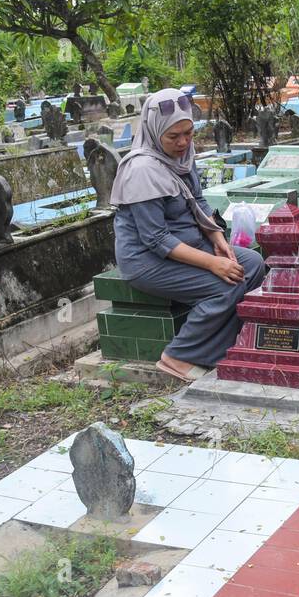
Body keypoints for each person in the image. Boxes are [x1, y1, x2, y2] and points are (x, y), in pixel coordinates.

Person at [109, 88, 266, 382]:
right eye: (173, 137)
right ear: (155, 132)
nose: (182, 142)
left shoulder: (182, 157)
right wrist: (211, 263)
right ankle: (179, 356)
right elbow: (156, 239)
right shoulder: (142, 169)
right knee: (226, 283)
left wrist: (218, 239)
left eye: (188, 133)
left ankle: (222, 344)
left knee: (253, 264)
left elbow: (199, 201)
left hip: (191, 242)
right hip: (148, 259)